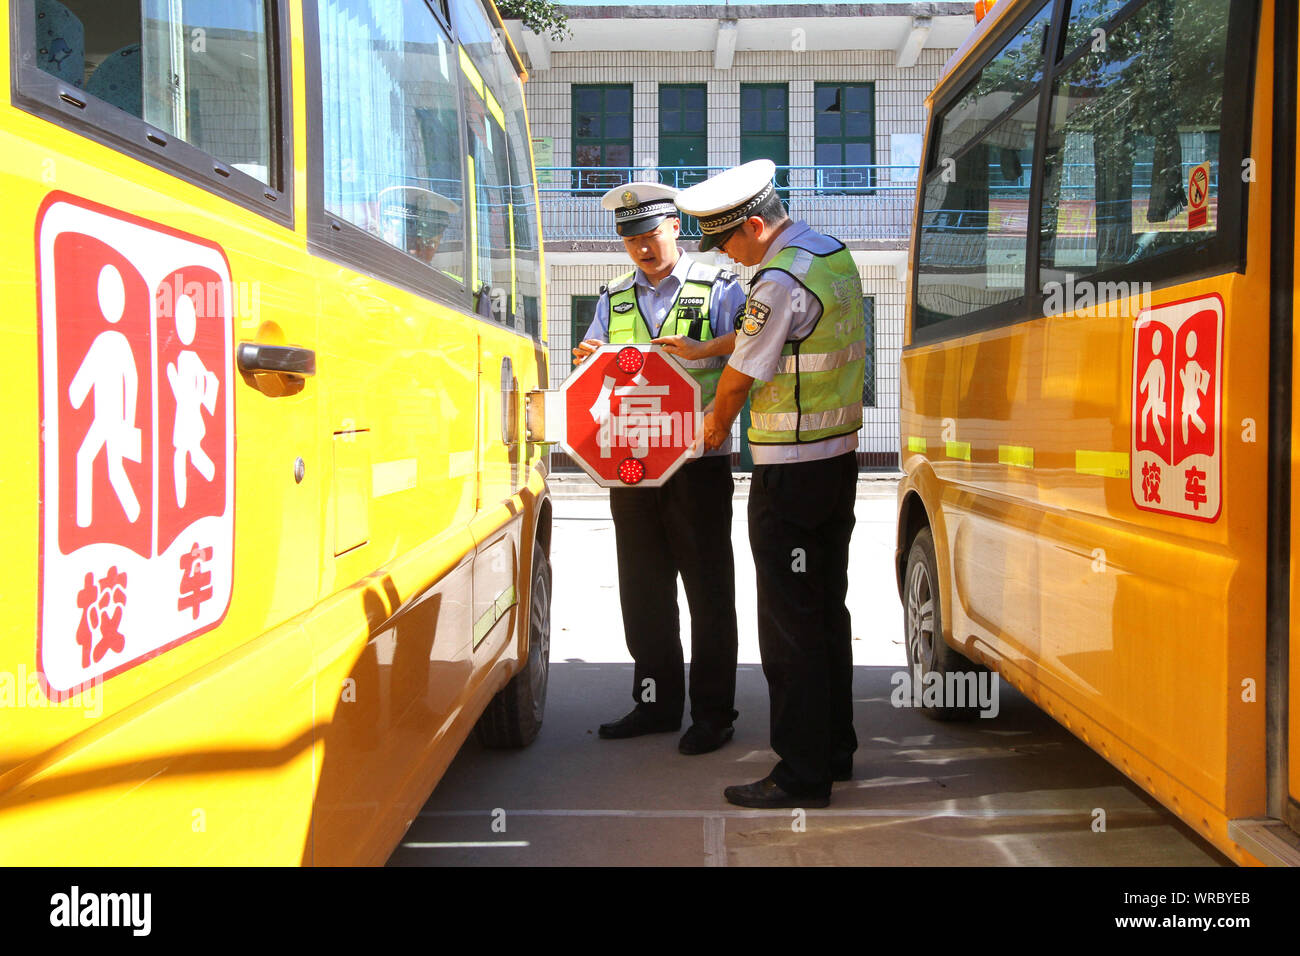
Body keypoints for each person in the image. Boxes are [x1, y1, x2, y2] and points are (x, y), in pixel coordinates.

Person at [675, 160, 865, 807]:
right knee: (826, 614)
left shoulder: (775, 280)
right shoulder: (830, 256)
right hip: (839, 469)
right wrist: (704, 351)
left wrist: (709, 427)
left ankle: (801, 774)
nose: (728, 256)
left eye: (729, 242)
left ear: (755, 226)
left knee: (789, 629)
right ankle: (836, 751)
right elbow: (775, 335)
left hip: (789, 477)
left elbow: (739, 379)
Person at [572, 182, 748, 755]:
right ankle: (655, 702)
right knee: (643, 589)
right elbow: (597, 361)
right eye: (631, 240)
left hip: (698, 461)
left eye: (650, 235)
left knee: (707, 590)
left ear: (675, 226)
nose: (643, 248)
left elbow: (747, 355)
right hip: (632, 463)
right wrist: (588, 355)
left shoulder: (719, 286)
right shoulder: (614, 299)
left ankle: (714, 714)